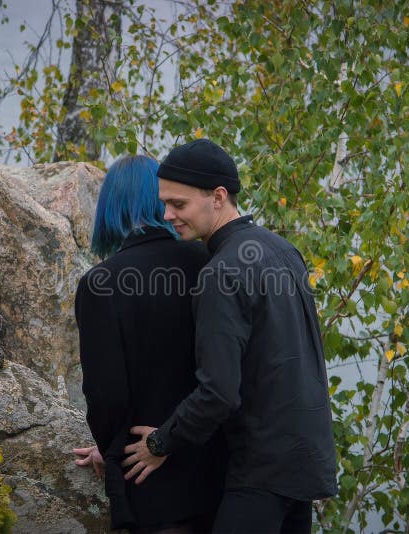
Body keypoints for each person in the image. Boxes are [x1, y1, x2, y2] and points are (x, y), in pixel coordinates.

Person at [122, 140, 338, 533]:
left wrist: (160, 443)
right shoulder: (283, 250)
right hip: (305, 465)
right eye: (164, 203)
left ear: (218, 197)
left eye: (179, 204)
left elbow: (218, 392)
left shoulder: (221, 272)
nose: (167, 214)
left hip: (260, 473)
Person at [73, 154, 225, 533]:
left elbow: (107, 396)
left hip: (151, 486)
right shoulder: (211, 261)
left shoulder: (102, 282)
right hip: (222, 479)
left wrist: (113, 447)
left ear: (109, 205)